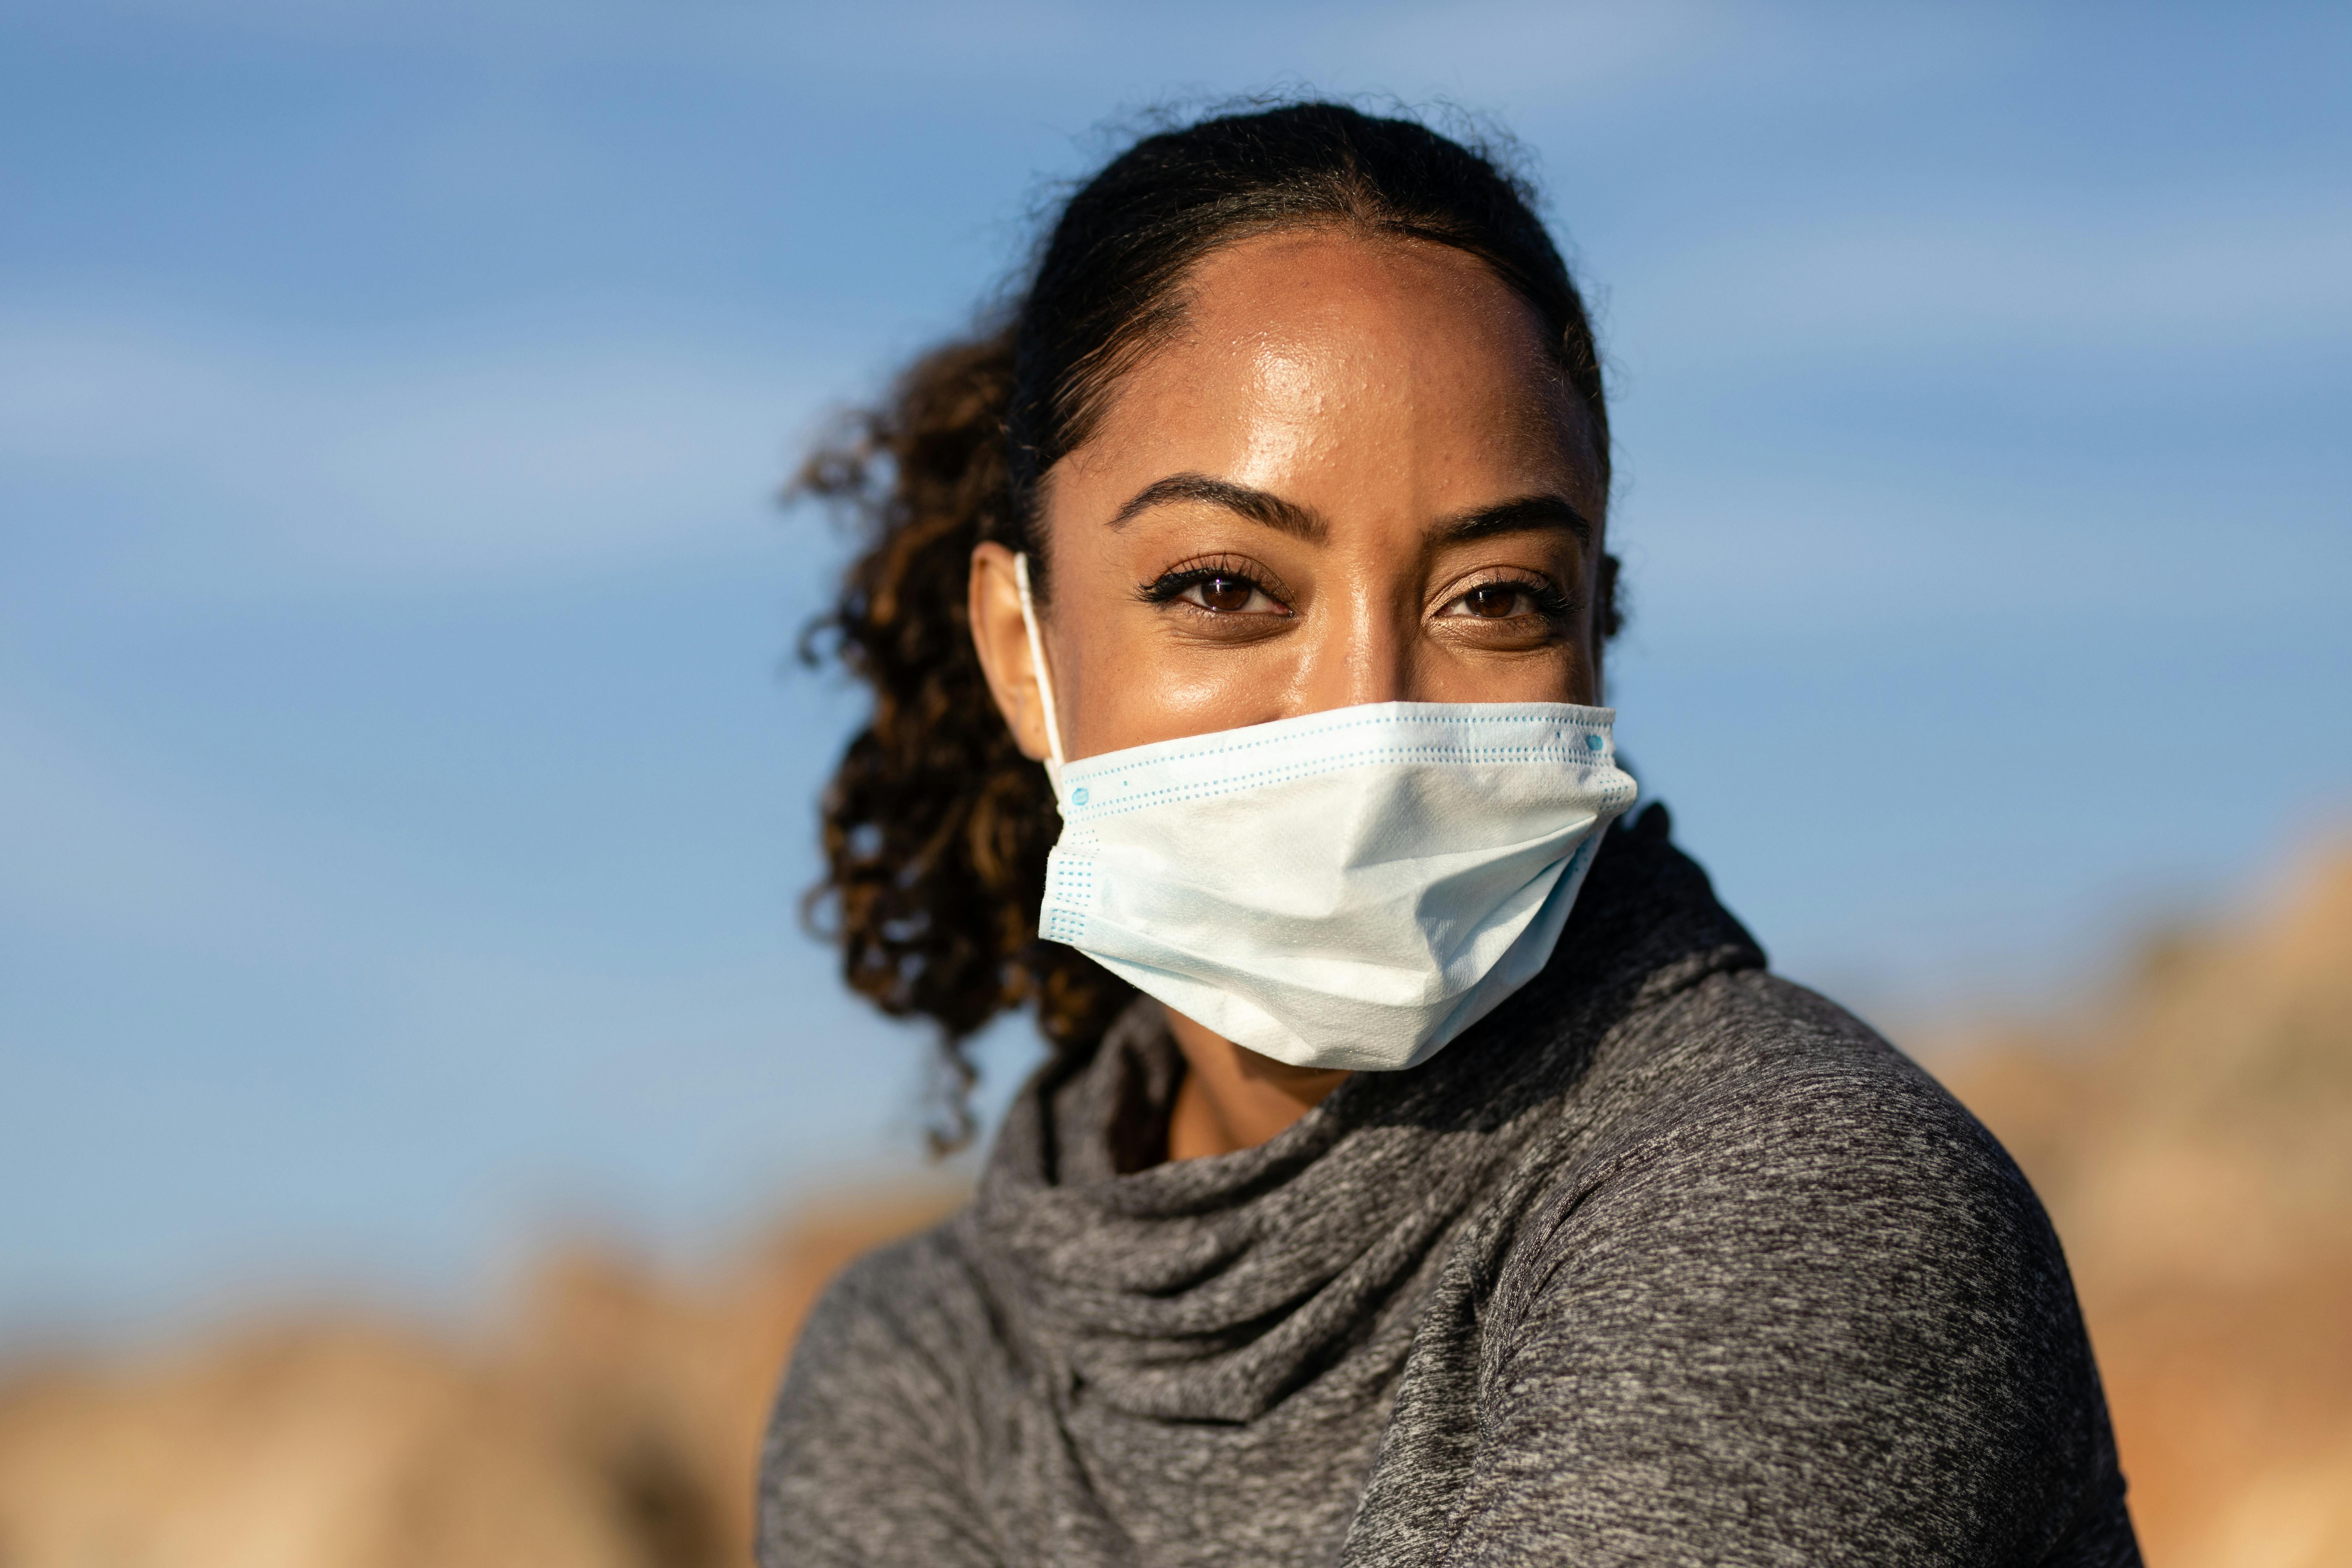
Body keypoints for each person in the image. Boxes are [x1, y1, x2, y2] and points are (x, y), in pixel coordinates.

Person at [758, 102, 2140, 1567]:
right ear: (1021, 651)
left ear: (1595, 635)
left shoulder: (1808, 1199)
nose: (1369, 715)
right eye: (1226, 586)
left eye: (1492, 597)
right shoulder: (917, 1369)